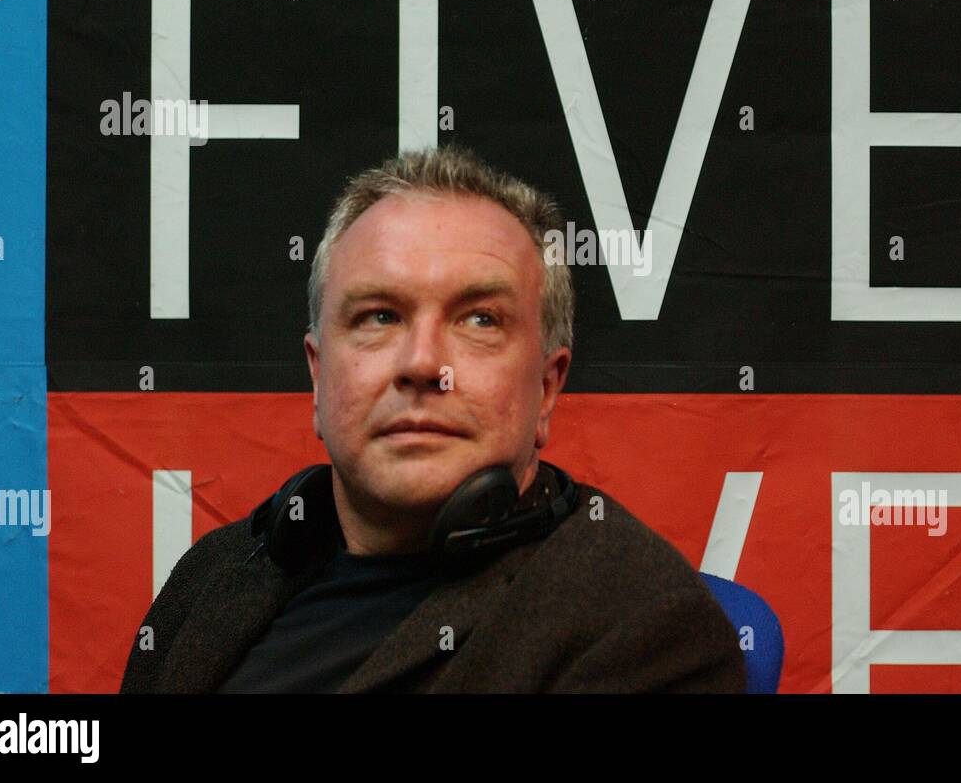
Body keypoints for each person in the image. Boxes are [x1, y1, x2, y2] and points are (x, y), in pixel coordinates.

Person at [120, 144, 746, 693]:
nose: (422, 364)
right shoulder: (218, 573)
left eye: (479, 320)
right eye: (380, 317)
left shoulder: (644, 627)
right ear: (318, 376)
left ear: (548, 389)